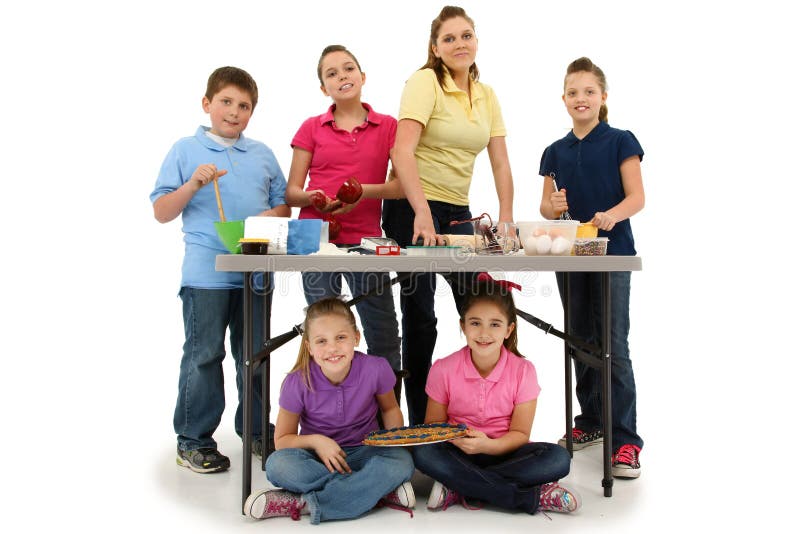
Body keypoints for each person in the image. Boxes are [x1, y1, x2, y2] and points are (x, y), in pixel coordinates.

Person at [150, 66, 290, 473]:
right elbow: (161, 212)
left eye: (244, 106)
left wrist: (270, 214)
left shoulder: (262, 154)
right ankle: (193, 440)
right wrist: (193, 184)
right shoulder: (185, 150)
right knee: (204, 355)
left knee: (255, 355)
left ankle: (256, 433)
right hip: (206, 273)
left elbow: (284, 205)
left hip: (256, 272)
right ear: (207, 104)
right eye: (226, 102)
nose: (234, 112)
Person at [383, 5, 515, 425]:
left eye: (466, 35)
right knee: (421, 317)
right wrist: (421, 212)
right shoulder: (425, 82)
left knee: (487, 307)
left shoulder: (487, 95)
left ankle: (487, 416)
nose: (460, 44)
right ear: (435, 48)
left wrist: (507, 218)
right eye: (449, 38)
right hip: (412, 208)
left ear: (477, 40)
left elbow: (500, 163)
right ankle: (421, 424)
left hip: (457, 212)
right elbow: (401, 151)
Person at [538, 56, 646, 478]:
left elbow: (637, 197)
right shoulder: (554, 151)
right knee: (579, 340)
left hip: (612, 253)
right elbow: (545, 206)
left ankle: (625, 441)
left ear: (603, 97)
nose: (580, 98)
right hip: (571, 256)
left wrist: (612, 215)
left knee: (613, 345)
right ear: (563, 99)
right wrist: (554, 205)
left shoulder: (621, 140)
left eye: (589, 91)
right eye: (573, 92)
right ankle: (591, 423)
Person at [284, 45, 403, 394]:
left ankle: (387, 422)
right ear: (324, 88)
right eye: (331, 74)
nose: (342, 77)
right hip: (316, 236)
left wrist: (361, 193)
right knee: (324, 336)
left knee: (382, 332)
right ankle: (328, 416)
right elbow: (292, 193)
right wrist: (314, 198)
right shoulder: (311, 127)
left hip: (366, 240)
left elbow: (399, 187)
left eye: (348, 69)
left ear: (362, 77)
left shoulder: (388, 126)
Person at [411, 277, 580, 514]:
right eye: (475, 323)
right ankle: (528, 497)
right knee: (423, 452)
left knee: (558, 458)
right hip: (458, 453)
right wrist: (459, 439)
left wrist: (488, 446)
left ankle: (460, 486)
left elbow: (520, 433)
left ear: (509, 329)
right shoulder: (443, 368)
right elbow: (432, 427)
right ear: (463, 326)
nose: (483, 333)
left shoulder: (523, 371)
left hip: (504, 453)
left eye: (495, 324)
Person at [244, 298, 416, 523]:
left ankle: (301, 503)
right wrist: (317, 442)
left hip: (366, 451)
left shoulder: (376, 368)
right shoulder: (297, 382)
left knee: (402, 461)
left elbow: (390, 409)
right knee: (277, 465)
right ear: (310, 347)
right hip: (318, 459)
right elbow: (282, 440)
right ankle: (374, 491)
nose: (332, 348)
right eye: (321, 341)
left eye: (341, 338)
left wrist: (393, 441)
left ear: (356, 338)